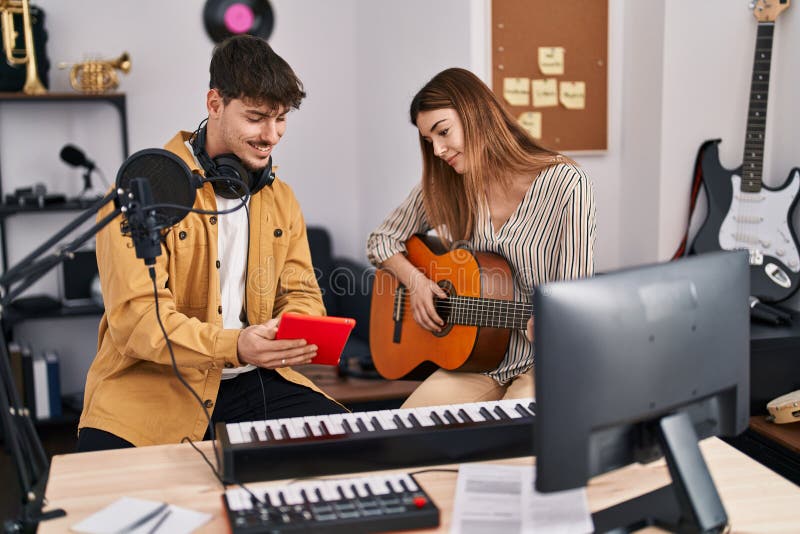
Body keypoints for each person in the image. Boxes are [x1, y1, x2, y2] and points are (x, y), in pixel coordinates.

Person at [78, 35, 346, 451]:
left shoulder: (281, 198)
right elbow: (136, 320)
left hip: (251, 383)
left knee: (352, 445)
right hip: (148, 390)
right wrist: (235, 344)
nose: (271, 136)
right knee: (111, 501)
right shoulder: (142, 191)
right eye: (256, 118)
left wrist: (290, 329)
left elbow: (302, 291)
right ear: (215, 104)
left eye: (281, 120)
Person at [366, 68, 596, 408]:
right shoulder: (448, 182)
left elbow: (575, 298)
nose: (439, 151)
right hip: (474, 364)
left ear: (476, 114)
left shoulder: (566, 183)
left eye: (443, 132)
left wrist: (557, 328)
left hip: (543, 365)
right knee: (401, 442)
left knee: (515, 453)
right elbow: (381, 240)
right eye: (429, 141)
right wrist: (416, 283)